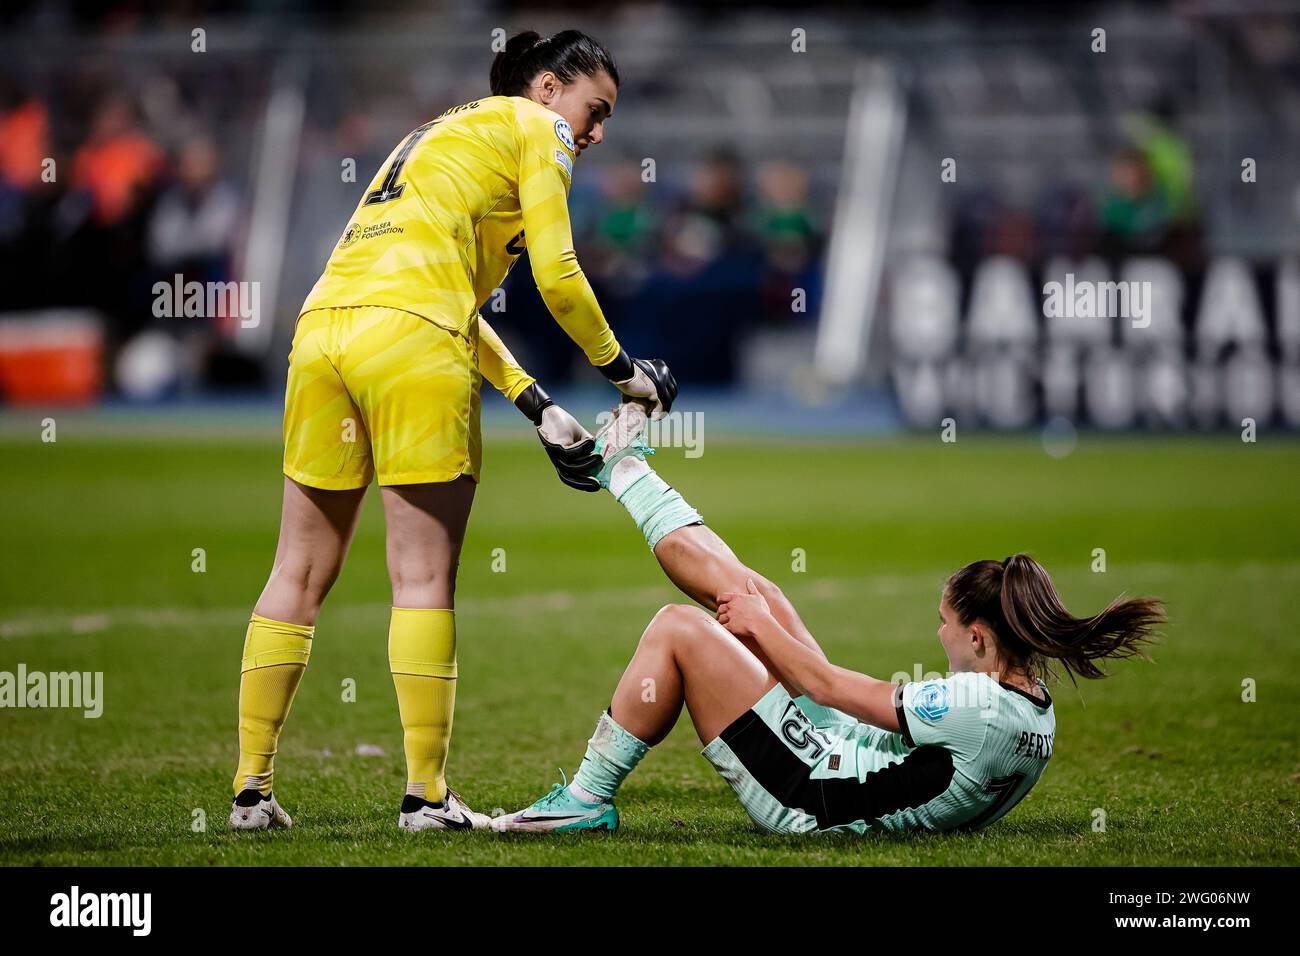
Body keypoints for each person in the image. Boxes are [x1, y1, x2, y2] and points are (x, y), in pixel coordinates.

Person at [229, 30, 676, 833]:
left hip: (321, 334)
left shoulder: (436, 133)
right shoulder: (539, 131)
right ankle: (426, 798)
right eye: (594, 108)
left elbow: (449, 300)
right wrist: (624, 374)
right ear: (547, 87)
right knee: (424, 577)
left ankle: (250, 792)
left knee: (296, 569)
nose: (598, 131)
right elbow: (560, 275)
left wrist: (537, 403)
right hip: (411, 346)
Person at [493, 404, 1164, 834]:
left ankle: (586, 798)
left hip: (813, 792)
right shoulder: (1032, 708)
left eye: (945, 623)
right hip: (856, 756)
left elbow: (826, 688)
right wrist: (762, 619)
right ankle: (622, 468)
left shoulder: (974, 707)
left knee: (679, 627)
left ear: (980, 636)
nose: (938, 635)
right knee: (763, 593)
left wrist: (755, 629)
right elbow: (847, 703)